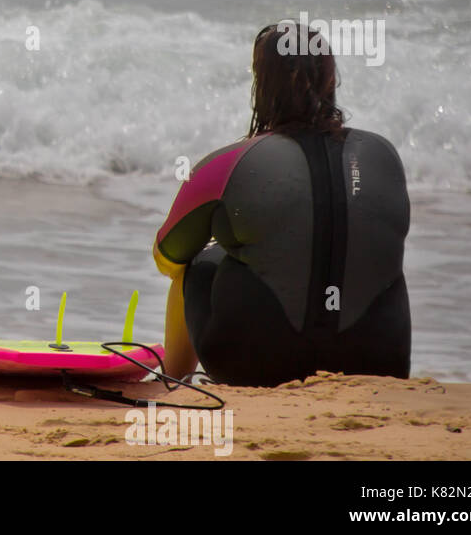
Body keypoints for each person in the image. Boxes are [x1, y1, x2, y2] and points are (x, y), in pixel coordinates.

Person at [152, 22, 411, 387]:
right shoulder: (383, 156)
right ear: (330, 79)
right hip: (380, 364)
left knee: (198, 262)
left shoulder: (227, 165)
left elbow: (166, 257)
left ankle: (173, 381)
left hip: (255, 365)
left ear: (262, 84)